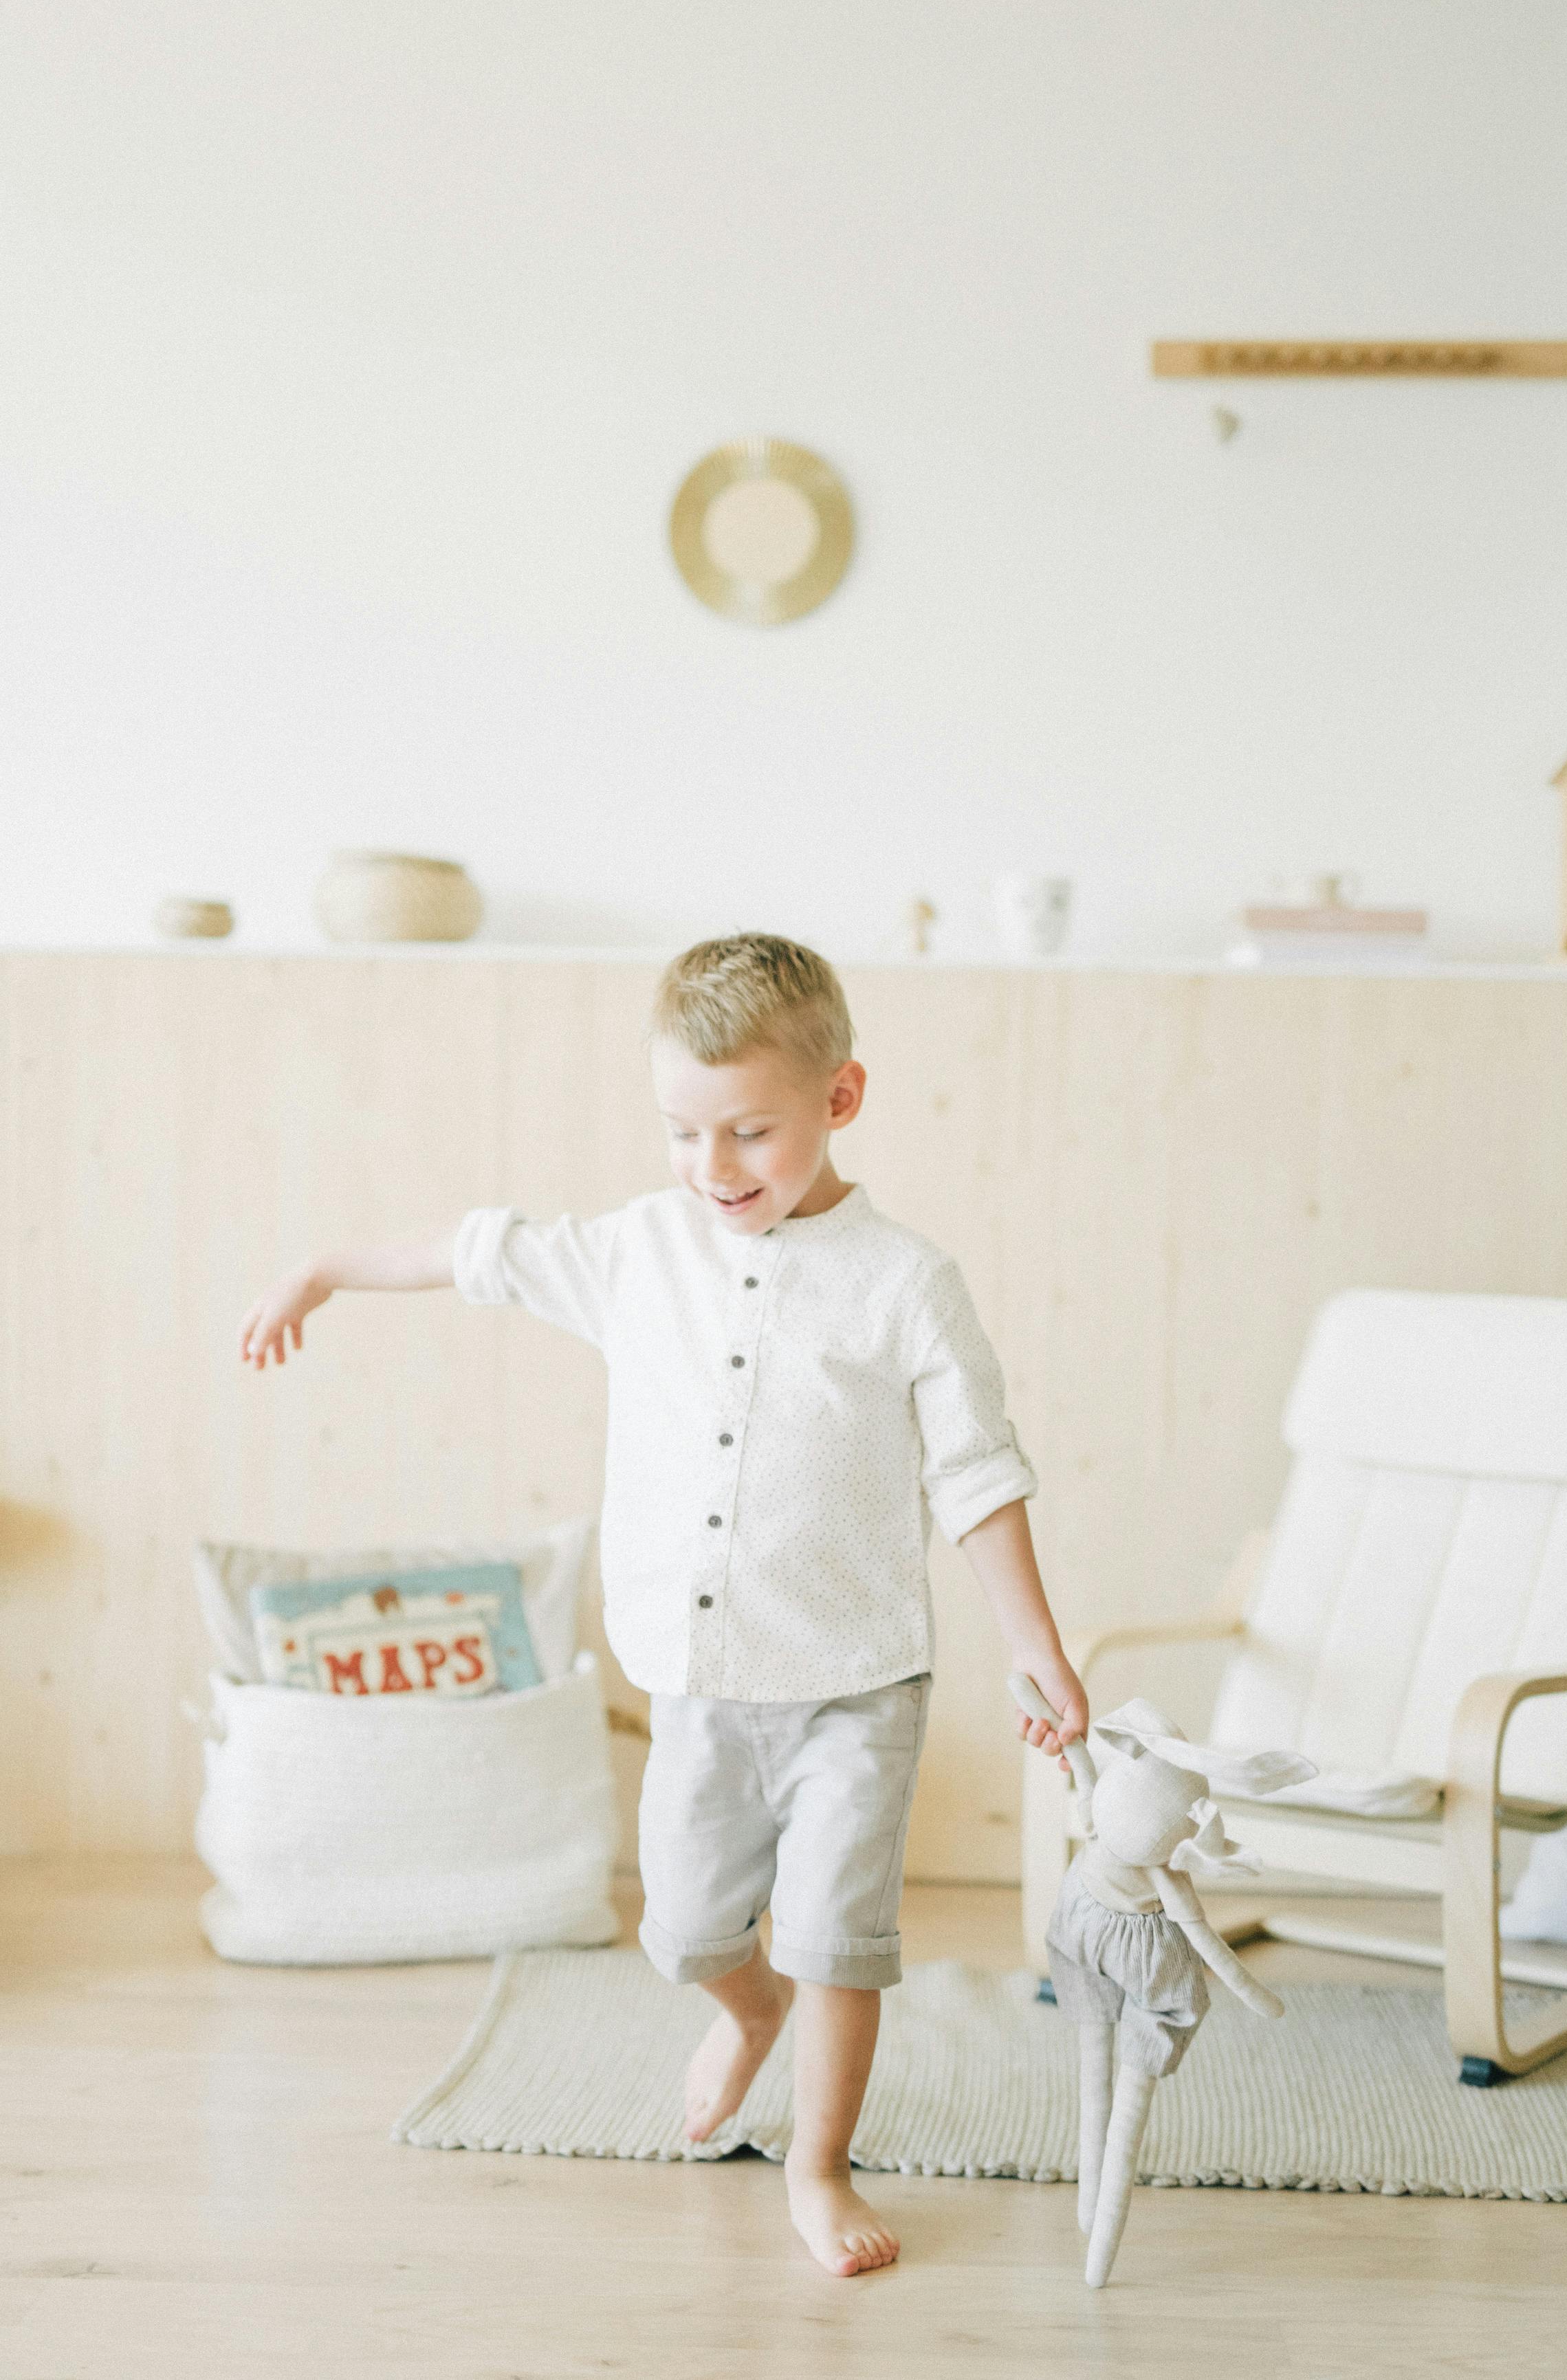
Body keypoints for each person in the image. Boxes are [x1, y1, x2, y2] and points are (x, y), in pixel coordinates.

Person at [240, 932, 1087, 2277]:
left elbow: (979, 1475)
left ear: (839, 1099)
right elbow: (480, 1252)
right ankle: (740, 2015)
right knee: (689, 1928)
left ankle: (817, 2164)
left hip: (856, 1683)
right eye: (683, 1135)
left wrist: (1034, 1647)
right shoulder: (640, 1248)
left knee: (837, 1942)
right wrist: (327, 1268)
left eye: (750, 1132)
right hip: (697, 1682)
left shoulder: (906, 1284)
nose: (714, 1169)